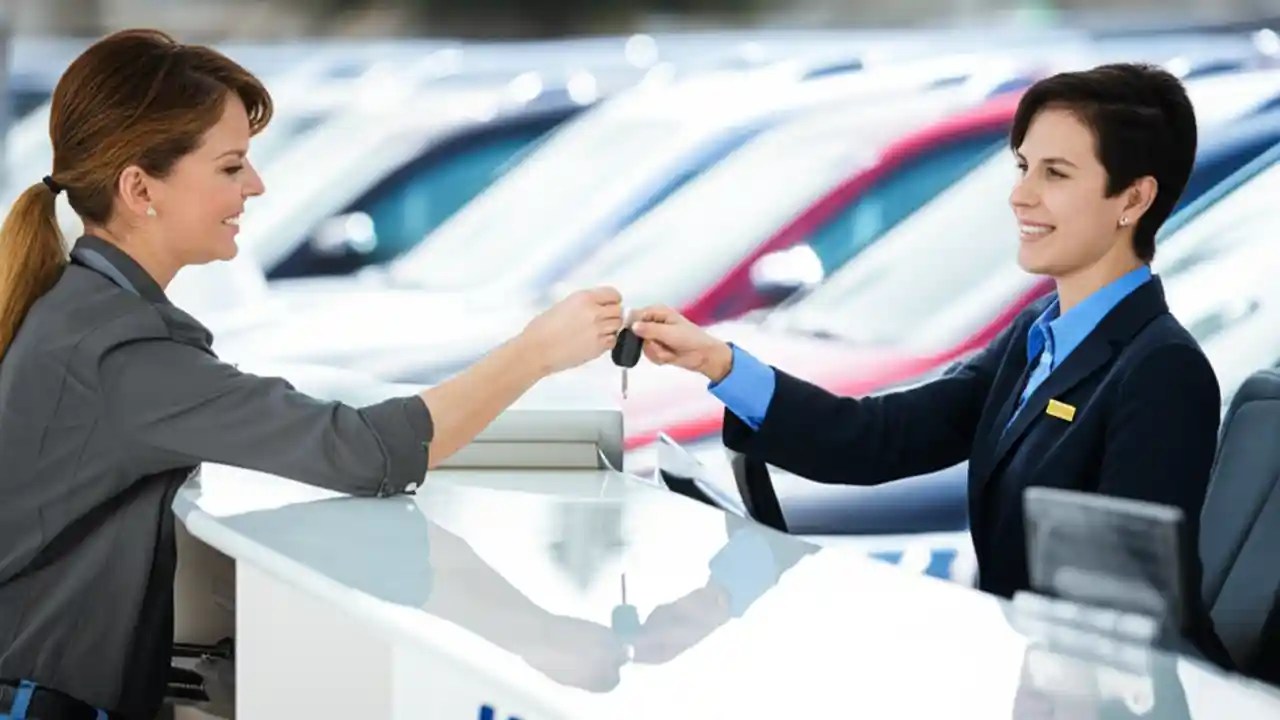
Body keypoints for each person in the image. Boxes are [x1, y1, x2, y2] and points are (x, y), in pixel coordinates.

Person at [0, 30, 624, 720]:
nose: (256, 186)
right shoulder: (123, 351)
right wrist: (536, 351)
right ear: (140, 189)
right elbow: (368, 452)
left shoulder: (77, 311)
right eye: (231, 167)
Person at [631, 64, 1225, 652]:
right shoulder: (1033, 339)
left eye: (1056, 173)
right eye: (1022, 167)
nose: (1021, 195)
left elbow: (1126, 617)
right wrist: (720, 365)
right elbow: (879, 437)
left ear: (1134, 198)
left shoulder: (1161, 370)